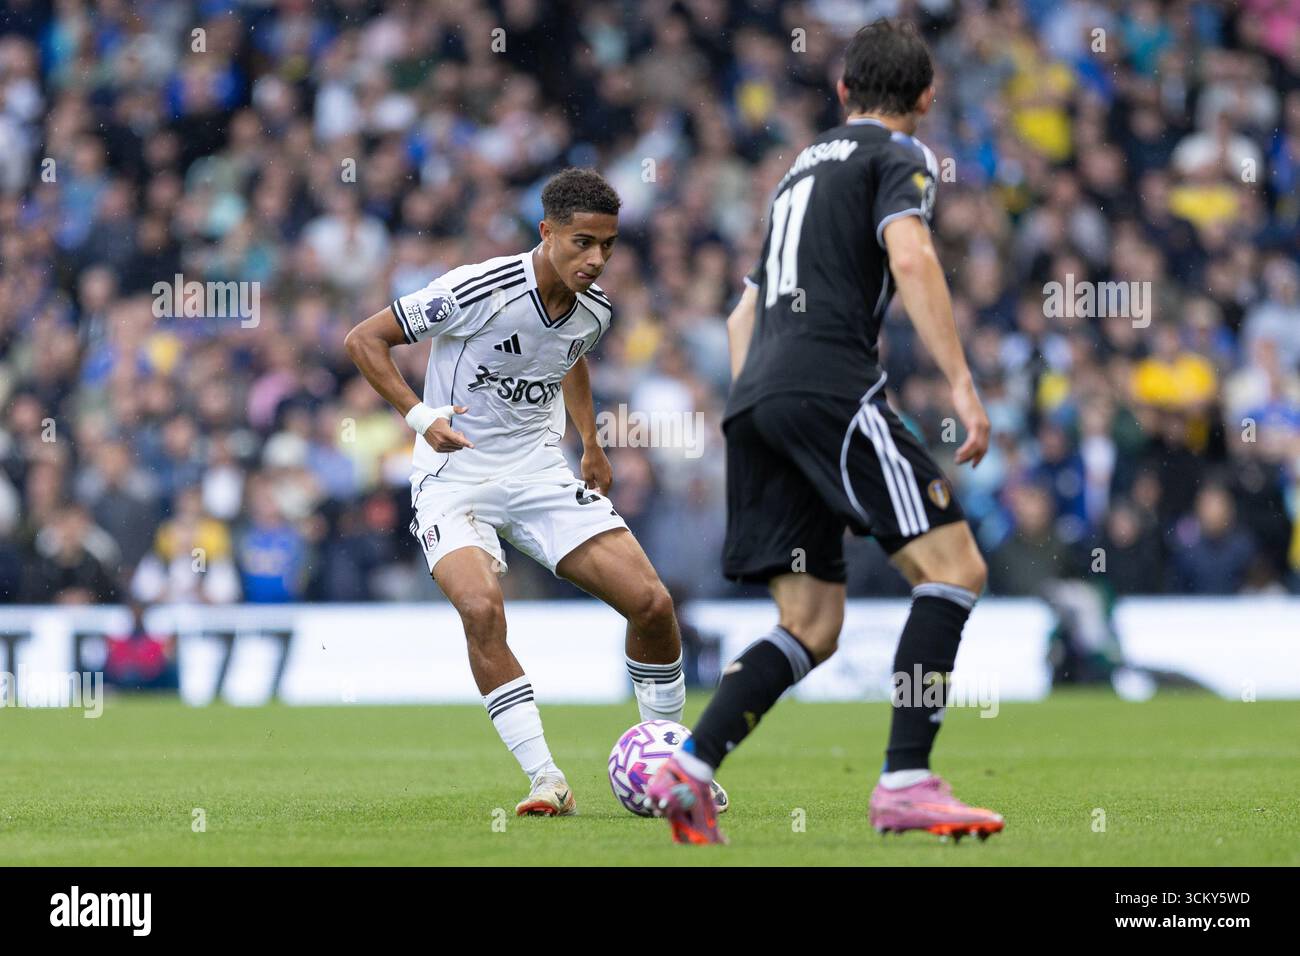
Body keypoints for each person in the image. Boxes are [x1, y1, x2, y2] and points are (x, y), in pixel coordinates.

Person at [646, 19, 1002, 844]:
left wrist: (762, 409)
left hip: (758, 398)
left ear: (843, 93)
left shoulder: (797, 172)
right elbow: (911, 258)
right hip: (827, 386)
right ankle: (907, 782)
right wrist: (961, 385)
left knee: (811, 623)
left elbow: (743, 311)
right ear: (926, 98)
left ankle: (689, 770)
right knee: (953, 569)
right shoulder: (898, 156)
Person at [344, 168, 725, 817]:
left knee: (653, 605)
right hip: (452, 474)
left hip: (537, 472)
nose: (596, 259)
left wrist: (593, 444)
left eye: (607, 245)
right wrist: (420, 418)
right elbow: (364, 339)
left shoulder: (596, 310)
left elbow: (569, 354)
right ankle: (546, 777)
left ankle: (674, 762)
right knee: (482, 609)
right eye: (582, 243)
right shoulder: (476, 288)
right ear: (547, 233)